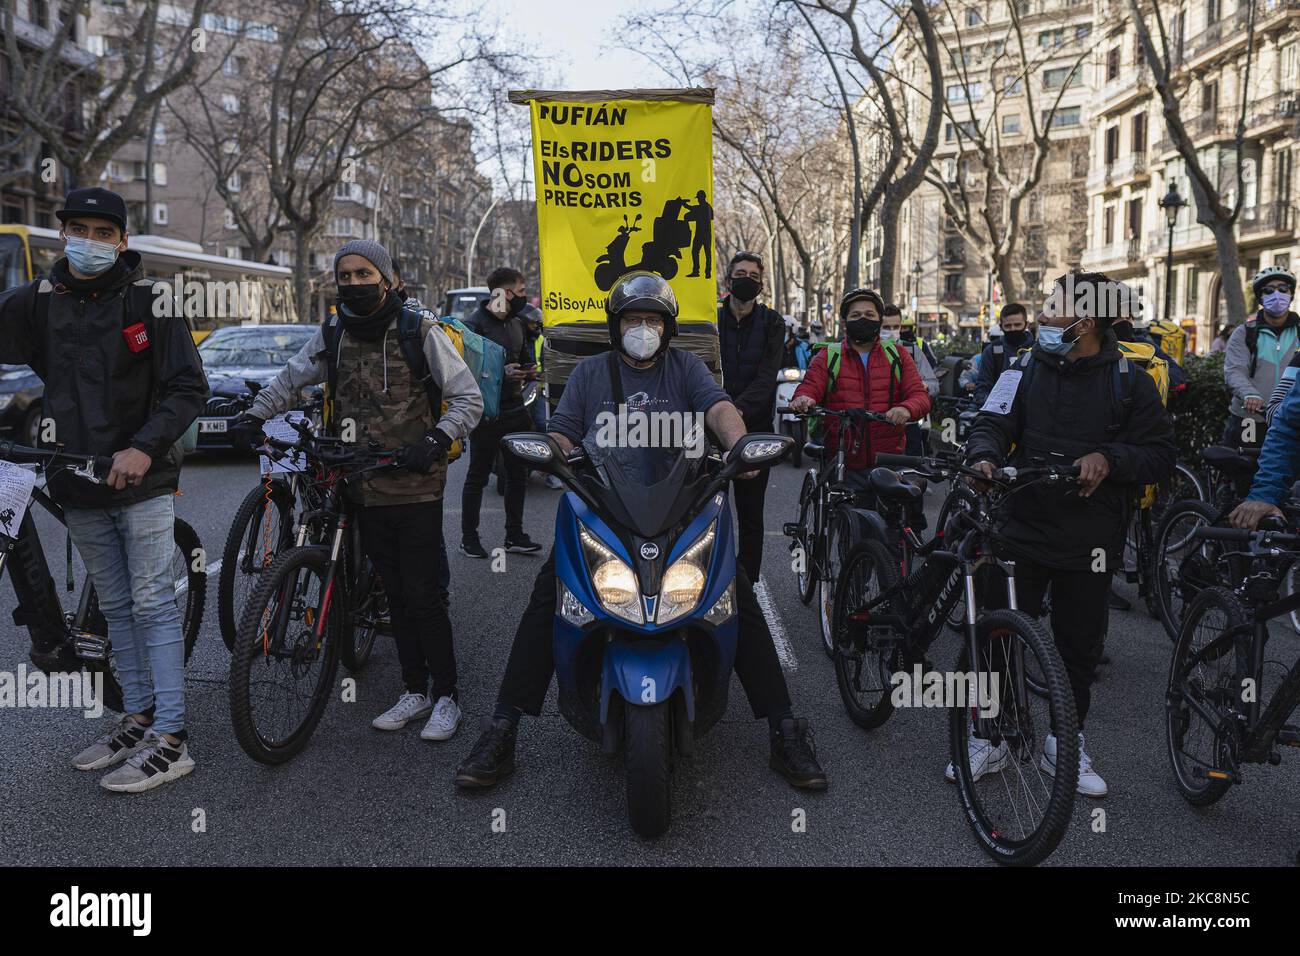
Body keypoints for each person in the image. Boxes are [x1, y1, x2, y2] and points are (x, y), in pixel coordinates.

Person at [453, 271, 828, 791]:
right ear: (616, 326)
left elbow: (720, 409)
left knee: (734, 592)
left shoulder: (686, 368)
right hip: (604, 508)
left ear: (668, 328)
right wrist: (549, 454)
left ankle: (786, 729)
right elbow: (562, 432)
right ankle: (502, 728)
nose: (643, 328)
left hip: (683, 507)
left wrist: (739, 446)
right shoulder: (589, 376)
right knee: (551, 596)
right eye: (633, 319)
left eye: (652, 320)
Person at [230, 239, 484, 741]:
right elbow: (292, 378)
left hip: (412, 484)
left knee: (422, 594)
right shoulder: (334, 332)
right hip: (358, 481)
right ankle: (414, 690)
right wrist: (256, 412)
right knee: (394, 590)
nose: (352, 283)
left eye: (364, 274)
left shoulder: (419, 331)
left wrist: (435, 439)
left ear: (389, 280)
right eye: (344, 275)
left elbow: (467, 399)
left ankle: (447, 696)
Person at [0, 187, 209, 792]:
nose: (88, 241)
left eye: (102, 231)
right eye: (77, 229)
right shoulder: (37, 301)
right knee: (115, 605)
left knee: (151, 602)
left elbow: (187, 388)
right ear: (61, 234)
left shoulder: (154, 300)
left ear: (122, 240)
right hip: (73, 473)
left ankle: (171, 738)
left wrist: (143, 447)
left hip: (142, 474)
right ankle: (136, 716)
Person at [961, 271, 1177, 797]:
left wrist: (1111, 457)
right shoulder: (1023, 367)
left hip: (1091, 541)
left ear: (1087, 321)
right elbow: (991, 423)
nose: (1042, 316)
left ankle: (1066, 739)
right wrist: (985, 456)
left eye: (1055, 306)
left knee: (1078, 650)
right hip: (1020, 527)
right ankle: (990, 736)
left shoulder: (1132, 381)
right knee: (996, 637)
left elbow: (1160, 456)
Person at [788, 288, 930, 495]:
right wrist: (803, 399)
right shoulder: (829, 356)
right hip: (842, 461)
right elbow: (809, 386)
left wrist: (906, 409)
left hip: (888, 460)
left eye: (870, 315)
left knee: (900, 518)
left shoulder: (897, 355)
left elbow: (920, 395)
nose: (863, 319)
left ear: (879, 320)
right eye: (856, 315)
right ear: (844, 322)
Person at [460, 267, 542, 557]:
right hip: (487, 413)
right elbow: (464, 372)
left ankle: (515, 535)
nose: (524, 297)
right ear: (506, 293)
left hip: (517, 409)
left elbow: (525, 359)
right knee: (478, 476)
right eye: (521, 291)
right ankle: (469, 538)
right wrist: (498, 373)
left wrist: (530, 372)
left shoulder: (518, 323)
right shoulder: (473, 327)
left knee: (517, 474)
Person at [717, 251, 786, 583]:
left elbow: (767, 376)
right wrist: (718, 413)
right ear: (728, 279)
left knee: (751, 516)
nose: (747, 280)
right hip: (709, 433)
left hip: (755, 431)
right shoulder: (711, 321)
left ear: (761, 285)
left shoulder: (773, 323)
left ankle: (747, 583)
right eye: (741, 273)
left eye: (754, 276)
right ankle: (709, 577)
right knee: (708, 511)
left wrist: (735, 411)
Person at [392, 259, 452, 608]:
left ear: (395, 282)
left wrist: (436, 438)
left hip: (419, 442)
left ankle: (437, 592)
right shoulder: (346, 326)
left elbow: (459, 391)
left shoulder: (418, 322)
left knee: (424, 526)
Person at [1223, 266, 1299, 451]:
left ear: (1291, 294)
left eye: (1283, 289)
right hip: (1250, 418)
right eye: (1269, 290)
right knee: (1245, 470)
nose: (1277, 294)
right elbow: (1234, 370)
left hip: (1291, 419)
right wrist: (1249, 393)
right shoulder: (1245, 332)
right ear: (1260, 297)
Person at [973, 303, 1032, 406]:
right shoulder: (992, 351)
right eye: (1008, 326)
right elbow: (982, 387)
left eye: (1017, 325)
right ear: (1001, 327)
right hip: (999, 413)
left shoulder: (1036, 350)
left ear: (1026, 325)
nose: (1013, 329)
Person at [683, 189, 713, 279]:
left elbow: (690, 208)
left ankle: (697, 271)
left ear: (701, 198)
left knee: (696, 252)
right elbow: (711, 216)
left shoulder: (701, 207)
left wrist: (682, 203)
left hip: (700, 234)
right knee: (707, 253)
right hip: (707, 234)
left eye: (699, 198)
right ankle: (707, 273)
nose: (698, 200)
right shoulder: (708, 207)